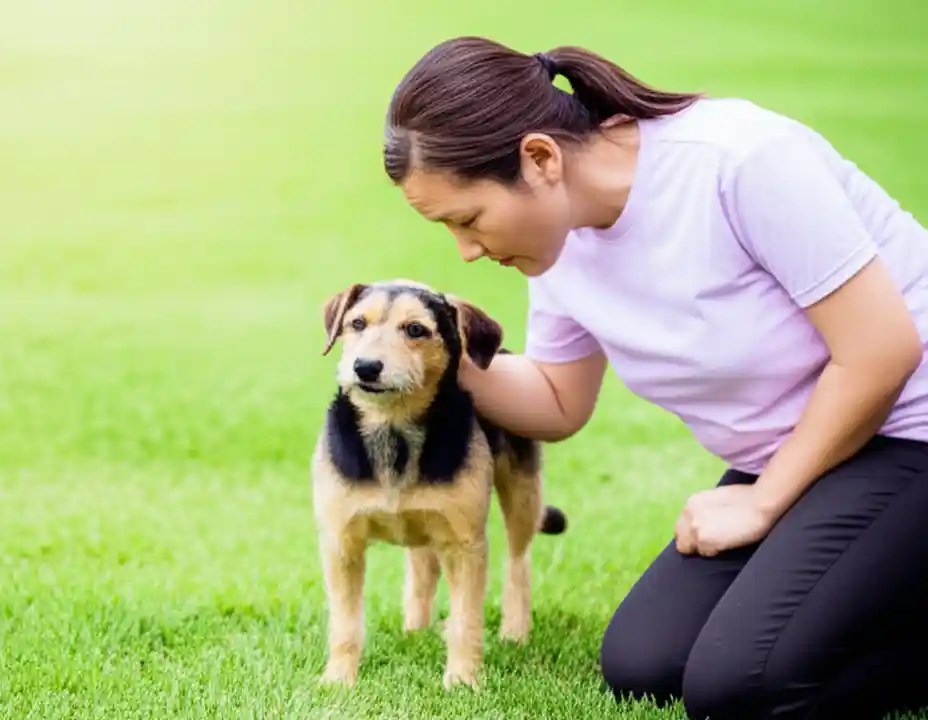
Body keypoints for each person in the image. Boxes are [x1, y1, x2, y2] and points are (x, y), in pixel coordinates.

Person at [382, 36, 928, 720]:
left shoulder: (737, 162)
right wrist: (440, 362)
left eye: (467, 220)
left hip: (909, 431)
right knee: (647, 665)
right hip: (813, 454)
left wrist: (762, 503)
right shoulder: (559, 240)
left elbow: (882, 351)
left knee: (740, 686)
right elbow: (558, 398)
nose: (465, 250)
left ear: (540, 159)